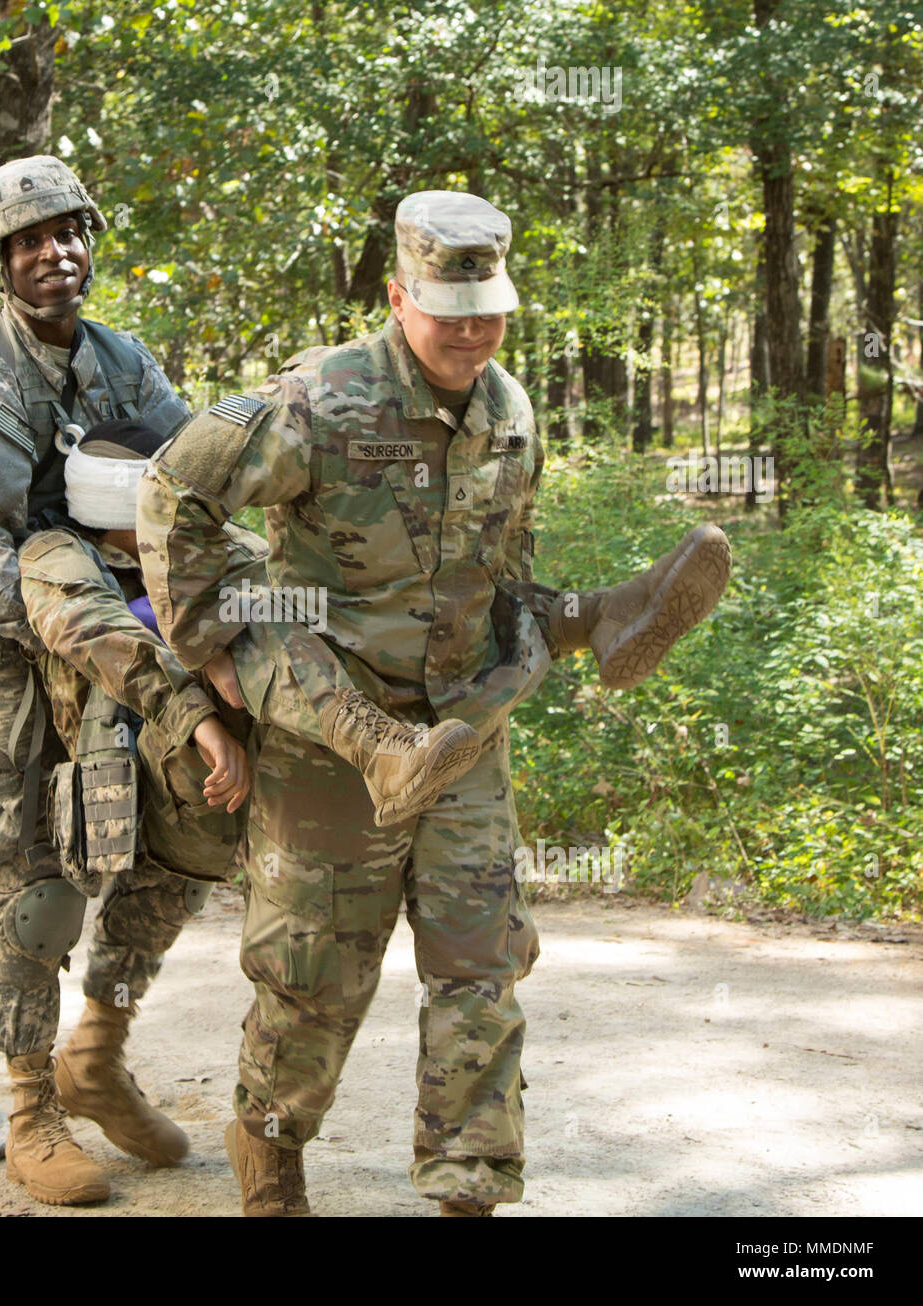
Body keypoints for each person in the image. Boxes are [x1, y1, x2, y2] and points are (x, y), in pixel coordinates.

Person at [137, 189, 731, 1216]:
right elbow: (172, 489)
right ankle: (270, 1154)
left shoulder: (507, 408)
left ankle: (469, 1181)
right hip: (331, 726)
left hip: (463, 729)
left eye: (489, 309)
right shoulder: (321, 397)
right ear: (396, 295)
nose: (471, 330)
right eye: (448, 309)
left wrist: (529, 626)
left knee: (479, 960)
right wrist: (207, 640)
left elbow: (497, 565)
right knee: (315, 971)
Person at [0, 156, 199, 1207]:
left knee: (178, 835)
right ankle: (32, 1107)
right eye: (28, 240)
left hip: (114, 630)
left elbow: (184, 466)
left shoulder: (121, 359)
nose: (53, 253)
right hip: (2, 654)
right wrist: (68, 629)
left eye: (68, 232)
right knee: (34, 883)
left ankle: (99, 1059)